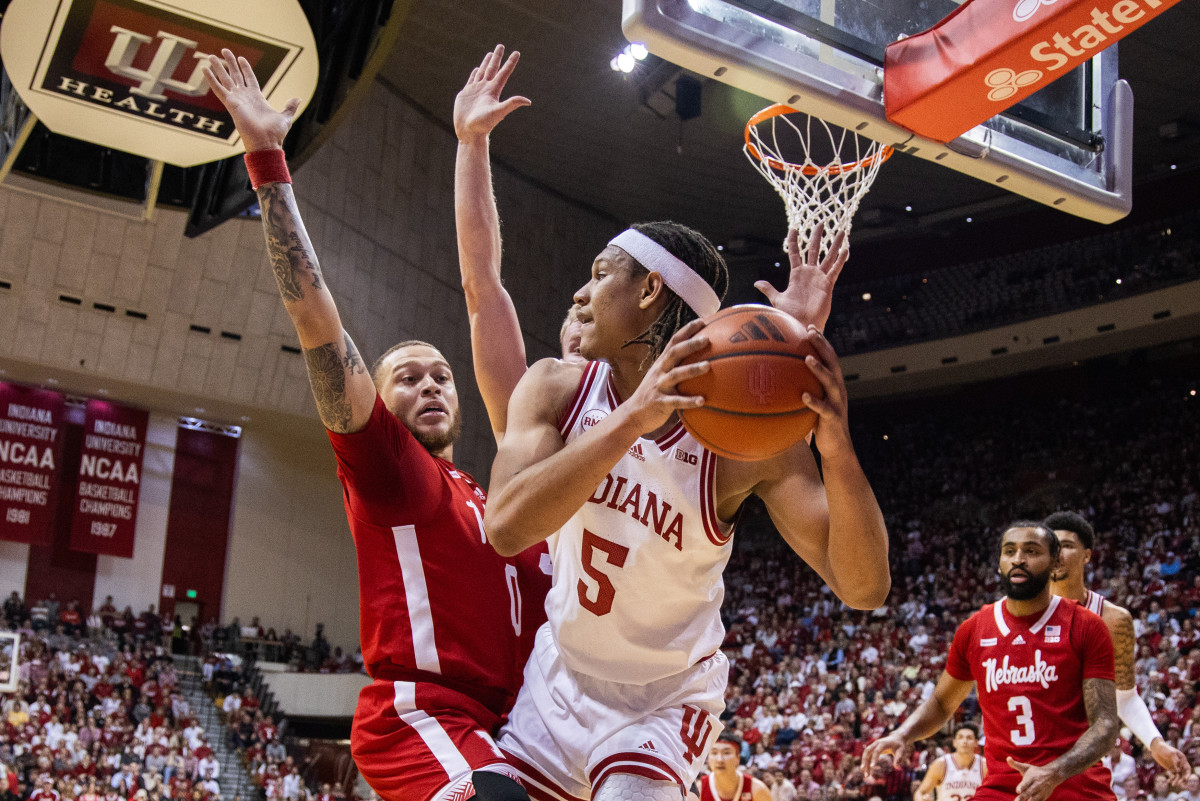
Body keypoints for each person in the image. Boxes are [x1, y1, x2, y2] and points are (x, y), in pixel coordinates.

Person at [479, 119, 890, 800]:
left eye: (600, 273)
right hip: (557, 682)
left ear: (648, 292)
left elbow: (863, 587)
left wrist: (835, 444)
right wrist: (632, 418)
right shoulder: (554, 386)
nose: (582, 292)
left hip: (661, 704)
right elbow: (507, 527)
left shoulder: (741, 444)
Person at [202, 49, 544, 801]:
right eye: (408, 377)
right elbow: (313, 313)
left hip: (515, 727)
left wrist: (473, 145)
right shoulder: (388, 471)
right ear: (375, 403)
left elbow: (487, 291)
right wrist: (265, 157)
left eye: (441, 375)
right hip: (423, 715)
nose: (430, 383)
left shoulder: (499, 499)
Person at [862, 522, 1119, 801]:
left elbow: (1105, 725)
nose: (1019, 559)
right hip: (1002, 789)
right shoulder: (974, 629)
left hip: (1074, 784)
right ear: (999, 563)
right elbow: (940, 703)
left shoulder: (1086, 626)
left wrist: (1054, 772)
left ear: (1055, 563)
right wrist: (902, 735)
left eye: (1031, 551)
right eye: (1010, 551)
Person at [1045, 511, 1192, 785]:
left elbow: (1123, 698)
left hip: (1079, 763)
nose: (1057, 554)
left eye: (1066, 545)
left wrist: (1155, 743)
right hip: (1024, 758)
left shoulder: (1113, 620)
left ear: (1087, 555)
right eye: (1051, 546)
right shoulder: (1014, 614)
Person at [914, 725, 986, 801]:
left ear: (976, 742)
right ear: (955, 742)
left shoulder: (984, 765)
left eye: (969, 738)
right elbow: (919, 792)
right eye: (960, 737)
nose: (965, 741)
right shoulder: (941, 764)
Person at [699, 731, 772, 801]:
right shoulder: (699, 789)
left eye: (726, 753)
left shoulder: (757, 789)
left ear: (738, 758)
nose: (720, 759)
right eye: (714, 753)